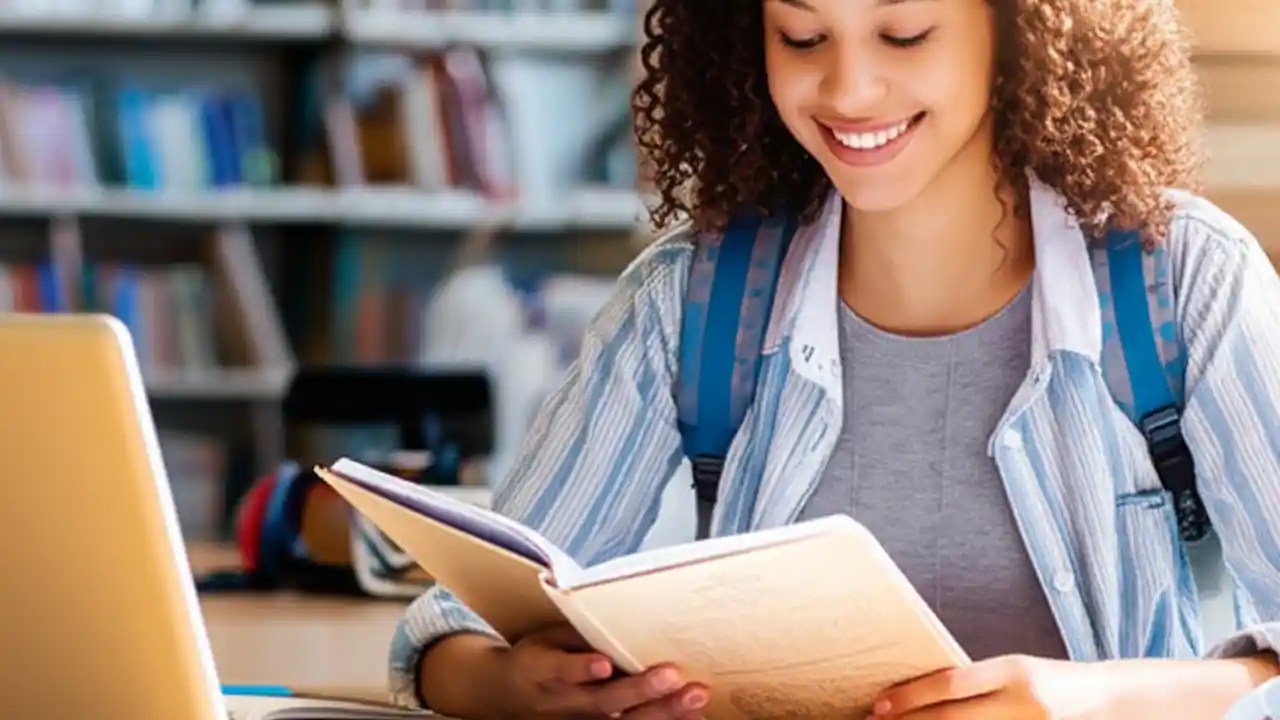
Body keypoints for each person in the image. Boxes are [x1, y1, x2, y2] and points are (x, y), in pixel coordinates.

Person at [388, 0, 1280, 717]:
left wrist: (1089, 703)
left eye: (904, 32)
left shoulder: (1179, 282)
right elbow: (454, 624)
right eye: (803, 35)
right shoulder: (689, 302)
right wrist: (510, 688)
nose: (849, 89)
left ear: (1017, 30)